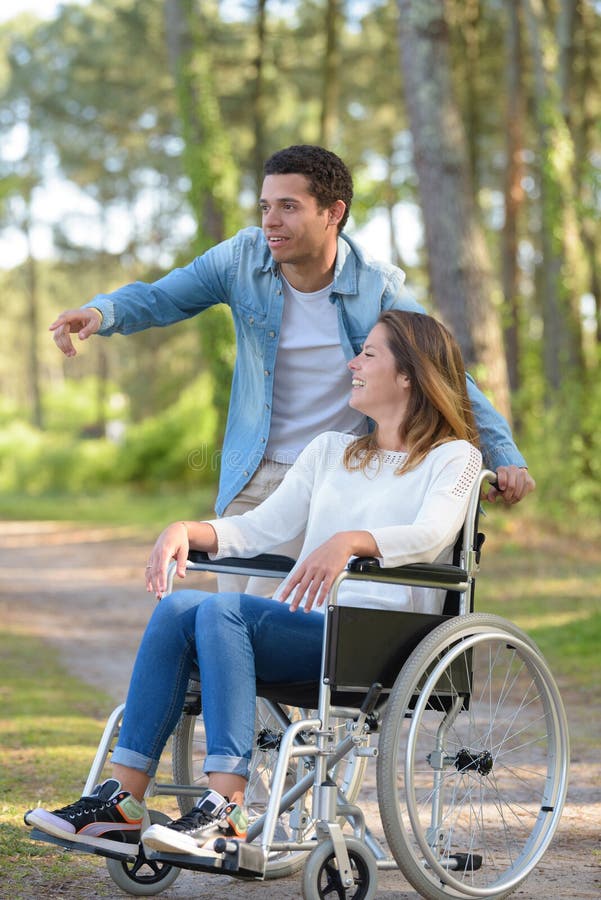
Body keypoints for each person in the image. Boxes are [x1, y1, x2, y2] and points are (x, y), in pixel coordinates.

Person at [26, 309, 484, 858]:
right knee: (180, 609)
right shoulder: (330, 452)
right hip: (311, 629)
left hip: (382, 639)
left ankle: (227, 808)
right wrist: (186, 529)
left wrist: (350, 541)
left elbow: (432, 533)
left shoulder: (454, 457)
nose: (352, 362)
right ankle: (123, 801)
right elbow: (260, 526)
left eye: (368, 354)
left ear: (409, 374)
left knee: (226, 611)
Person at [48, 145, 533, 595]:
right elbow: (162, 296)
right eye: (265, 207)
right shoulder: (241, 261)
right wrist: (101, 314)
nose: (271, 222)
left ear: (333, 213)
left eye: (288, 207)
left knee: (284, 629)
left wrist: (503, 451)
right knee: (234, 625)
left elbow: (444, 374)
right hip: (253, 475)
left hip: (334, 478)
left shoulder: (375, 287)